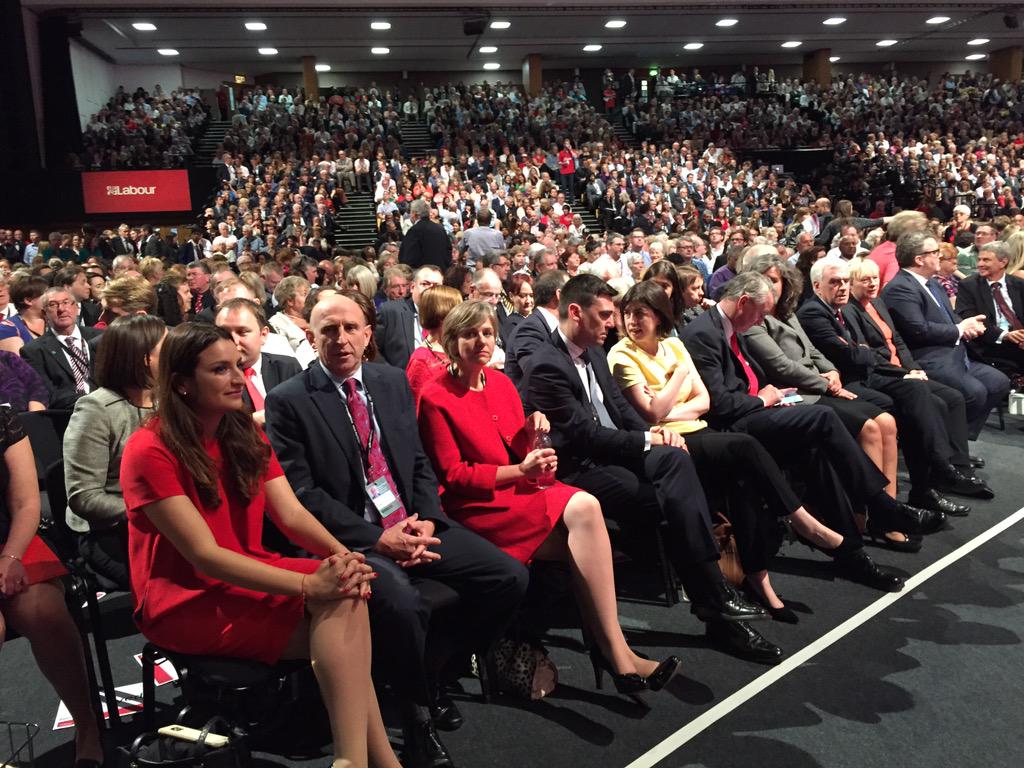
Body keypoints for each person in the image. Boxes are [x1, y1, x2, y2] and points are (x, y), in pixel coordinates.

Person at [264, 292, 527, 768]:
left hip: (415, 522)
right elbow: (304, 495)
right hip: (351, 540)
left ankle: (434, 671)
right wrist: (378, 539)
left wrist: (426, 518)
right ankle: (415, 712)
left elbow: (419, 461)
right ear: (311, 337)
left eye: (350, 328)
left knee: (508, 578)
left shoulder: (389, 382)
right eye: (328, 330)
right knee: (404, 604)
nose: (340, 339)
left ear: (368, 335)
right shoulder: (289, 402)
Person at [121, 322, 400, 768]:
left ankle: (361, 760)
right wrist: (310, 586)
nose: (238, 377)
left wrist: (340, 555)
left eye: (237, 365)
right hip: (185, 600)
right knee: (344, 615)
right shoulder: (148, 449)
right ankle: (367, 760)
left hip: (246, 571)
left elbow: (290, 516)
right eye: (220, 370)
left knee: (349, 590)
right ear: (181, 384)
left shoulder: (242, 434)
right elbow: (204, 557)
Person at [419, 300, 679, 695]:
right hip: (477, 506)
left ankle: (614, 651)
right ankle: (613, 651)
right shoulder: (435, 395)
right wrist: (522, 470)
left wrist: (530, 432)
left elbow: (513, 446)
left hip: (519, 492)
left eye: (487, 333)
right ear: (452, 341)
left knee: (587, 525)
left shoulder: (502, 383)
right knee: (587, 515)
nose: (481, 341)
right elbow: (454, 477)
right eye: (470, 334)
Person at [521, 275, 781, 665]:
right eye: (605, 314)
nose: (613, 323)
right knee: (673, 498)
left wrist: (654, 432)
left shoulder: (593, 351)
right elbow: (586, 437)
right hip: (580, 470)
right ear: (575, 311)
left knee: (678, 463)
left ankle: (715, 600)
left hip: (615, 454)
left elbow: (622, 412)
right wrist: (649, 441)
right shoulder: (546, 364)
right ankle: (716, 601)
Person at [608, 282, 850, 620]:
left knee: (744, 482)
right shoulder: (621, 354)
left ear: (659, 316)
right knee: (746, 445)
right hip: (667, 441)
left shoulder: (674, 344)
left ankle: (759, 580)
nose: (632, 321)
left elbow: (703, 402)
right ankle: (801, 520)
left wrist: (667, 402)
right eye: (628, 314)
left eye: (641, 314)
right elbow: (650, 414)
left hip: (698, 430)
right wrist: (678, 378)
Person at [681, 273, 937, 585]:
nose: (762, 319)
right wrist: (764, 399)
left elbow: (753, 378)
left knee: (815, 451)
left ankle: (851, 555)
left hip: (759, 409)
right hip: (733, 425)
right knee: (823, 417)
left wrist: (776, 396)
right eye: (760, 312)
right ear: (744, 302)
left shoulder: (733, 326)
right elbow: (720, 404)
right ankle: (881, 506)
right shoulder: (703, 334)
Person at [799, 256, 992, 509]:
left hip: (869, 374)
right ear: (816, 286)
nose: (843, 287)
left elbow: (881, 346)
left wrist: (902, 367)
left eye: (846, 281)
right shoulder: (816, 311)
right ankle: (934, 475)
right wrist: (868, 355)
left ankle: (933, 478)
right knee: (915, 401)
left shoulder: (839, 309)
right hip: (851, 382)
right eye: (836, 282)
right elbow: (852, 355)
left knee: (930, 398)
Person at [0, 406, 105, 768]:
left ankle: (87, 723)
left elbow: (26, 503)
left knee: (42, 610)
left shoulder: (3, 419)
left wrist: (11, 557)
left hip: (13, 539)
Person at [845, 257, 983, 490]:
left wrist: (912, 367)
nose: (871, 283)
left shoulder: (877, 303)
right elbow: (868, 356)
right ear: (851, 283)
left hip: (902, 369)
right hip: (883, 373)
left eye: (875, 278)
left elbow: (897, 340)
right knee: (934, 402)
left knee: (954, 397)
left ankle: (958, 465)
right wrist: (902, 373)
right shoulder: (850, 310)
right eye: (864, 280)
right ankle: (941, 468)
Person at [64, 315, 166, 589]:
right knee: (182, 576)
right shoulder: (97, 409)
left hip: (168, 519)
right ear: (145, 358)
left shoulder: (169, 399)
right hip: (113, 531)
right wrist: (158, 512)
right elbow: (84, 497)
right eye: (167, 349)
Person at [881, 231, 1011, 440]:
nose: (939, 256)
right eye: (935, 252)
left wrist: (967, 326)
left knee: (999, 382)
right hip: (928, 358)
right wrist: (960, 329)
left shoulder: (932, 282)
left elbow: (951, 318)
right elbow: (919, 330)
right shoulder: (901, 288)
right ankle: (947, 445)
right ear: (919, 259)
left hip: (954, 352)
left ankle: (958, 441)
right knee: (974, 393)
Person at [215, 299, 301, 427]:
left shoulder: (287, 368)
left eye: (242, 332)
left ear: (263, 334)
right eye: (224, 333)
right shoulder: (212, 378)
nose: (234, 340)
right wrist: (254, 420)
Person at [20, 287, 102, 410]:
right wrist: (89, 402)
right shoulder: (33, 351)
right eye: (53, 305)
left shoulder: (100, 337)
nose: (62, 309)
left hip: (107, 407)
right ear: (44, 313)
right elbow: (49, 393)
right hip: (69, 414)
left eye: (66, 302)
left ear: (76, 308)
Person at [955, 240, 1024, 379]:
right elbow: (969, 318)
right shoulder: (968, 286)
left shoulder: (1019, 284)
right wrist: (1005, 335)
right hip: (992, 345)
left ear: (1003, 262)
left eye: (986, 260)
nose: (980, 264)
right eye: (979, 259)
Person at [504, 270, 569, 389]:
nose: (528, 301)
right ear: (560, 295)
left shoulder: (547, 324)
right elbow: (540, 376)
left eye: (531, 295)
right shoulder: (526, 330)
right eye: (523, 296)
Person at [374, 266, 444, 370]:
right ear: (412, 287)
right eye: (425, 284)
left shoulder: (447, 317)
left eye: (436, 286)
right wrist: (392, 376)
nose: (430, 290)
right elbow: (373, 350)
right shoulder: (391, 311)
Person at [405, 286, 462, 409]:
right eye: (458, 311)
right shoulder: (421, 359)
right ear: (442, 315)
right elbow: (416, 407)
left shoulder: (454, 347)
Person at [269, 276, 316, 368]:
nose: (311, 298)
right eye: (305, 294)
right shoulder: (276, 324)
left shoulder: (315, 318)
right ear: (290, 301)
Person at [399, 198, 452, 272]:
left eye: (410, 213)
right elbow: (448, 251)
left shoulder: (414, 230)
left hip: (422, 274)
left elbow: (407, 257)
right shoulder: (440, 228)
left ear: (414, 214)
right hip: (440, 272)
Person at [0, 276, 48, 355]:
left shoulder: (54, 320)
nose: (52, 298)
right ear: (28, 300)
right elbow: (19, 365)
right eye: (46, 295)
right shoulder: (7, 329)